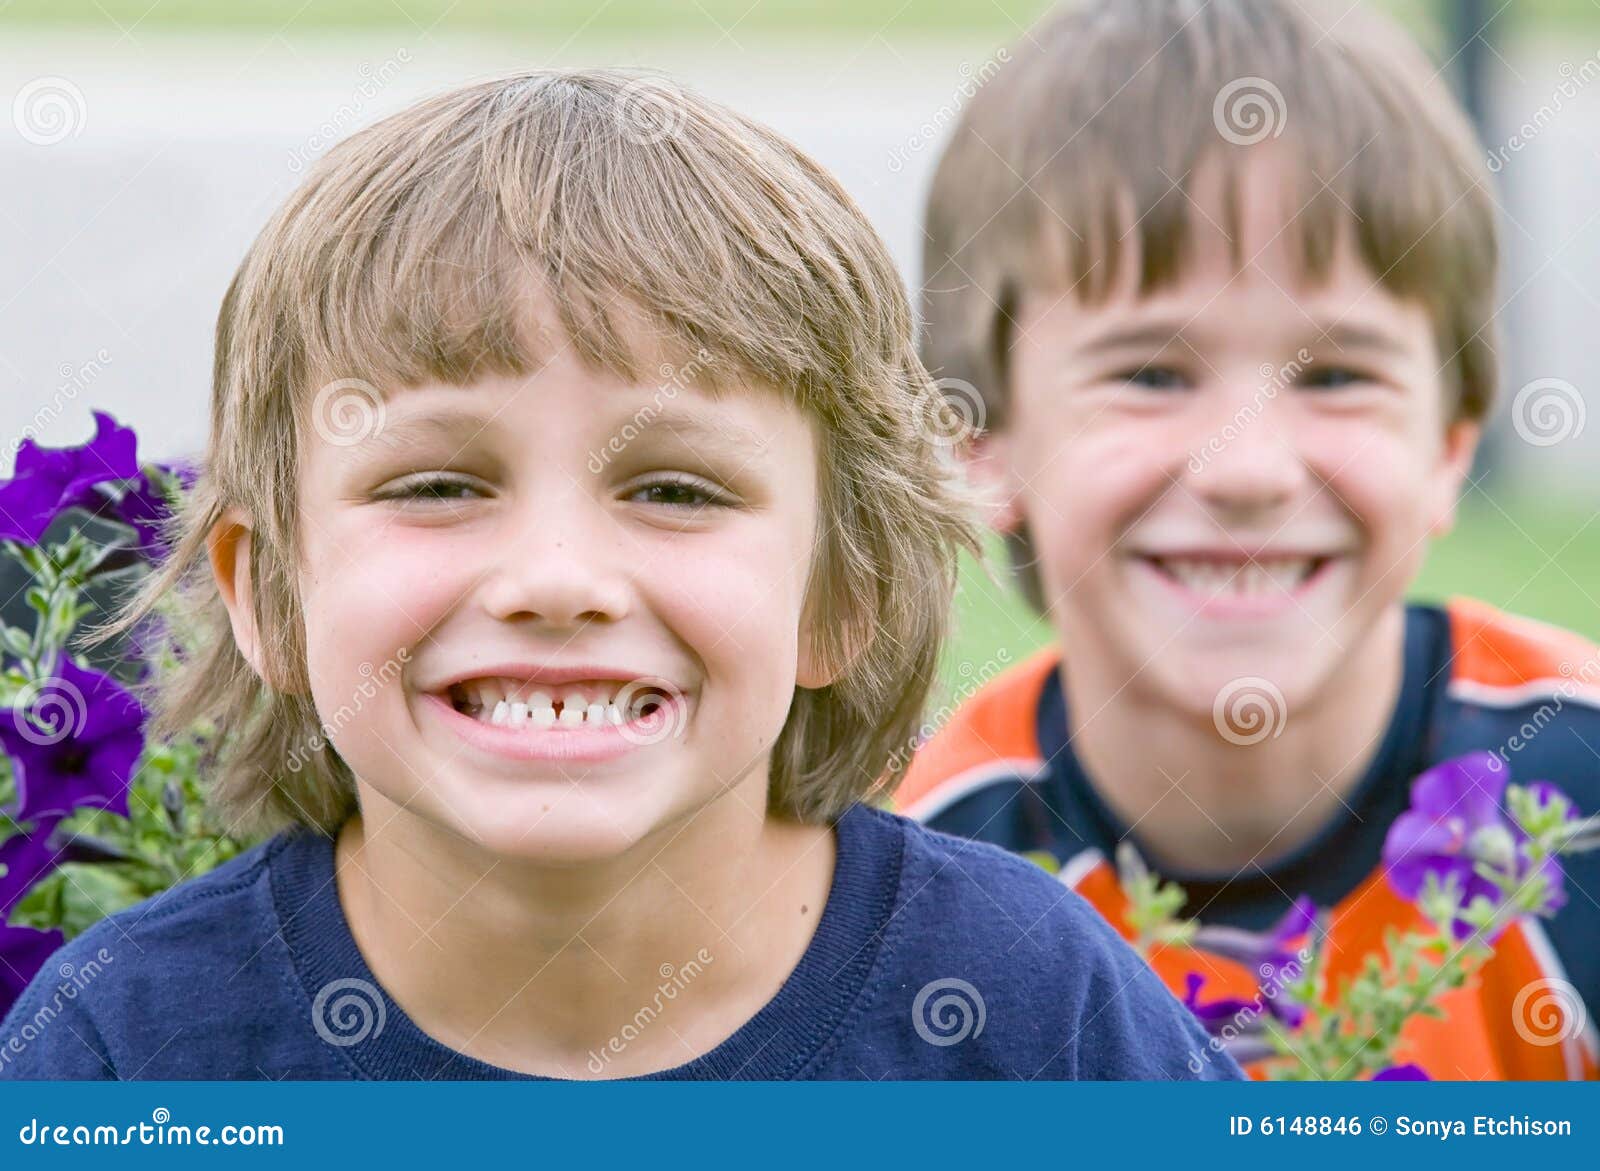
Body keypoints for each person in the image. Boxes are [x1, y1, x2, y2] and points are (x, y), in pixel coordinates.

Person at [0, 70, 1238, 1082]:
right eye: (437, 485)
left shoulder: (1028, 1006)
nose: (555, 579)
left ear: (839, 592)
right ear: (269, 595)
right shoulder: (135, 1050)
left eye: (675, 491)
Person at [902, 0, 1600, 1079]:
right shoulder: (908, 883)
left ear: (1448, 447)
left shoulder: (1579, 793)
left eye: (1334, 376)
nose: (1246, 470)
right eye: (1148, 374)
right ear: (982, 441)